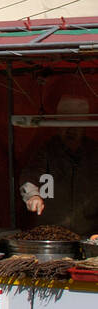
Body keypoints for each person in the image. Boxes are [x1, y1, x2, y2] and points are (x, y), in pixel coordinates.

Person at [20, 94, 98, 239]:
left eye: (76, 126)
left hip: (88, 233)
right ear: (57, 127)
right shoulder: (47, 150)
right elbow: (30, 175)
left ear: (85, 127)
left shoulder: (94, 152)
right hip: (52, 233)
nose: (70, 131)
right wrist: (33, 196)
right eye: (65, 126)